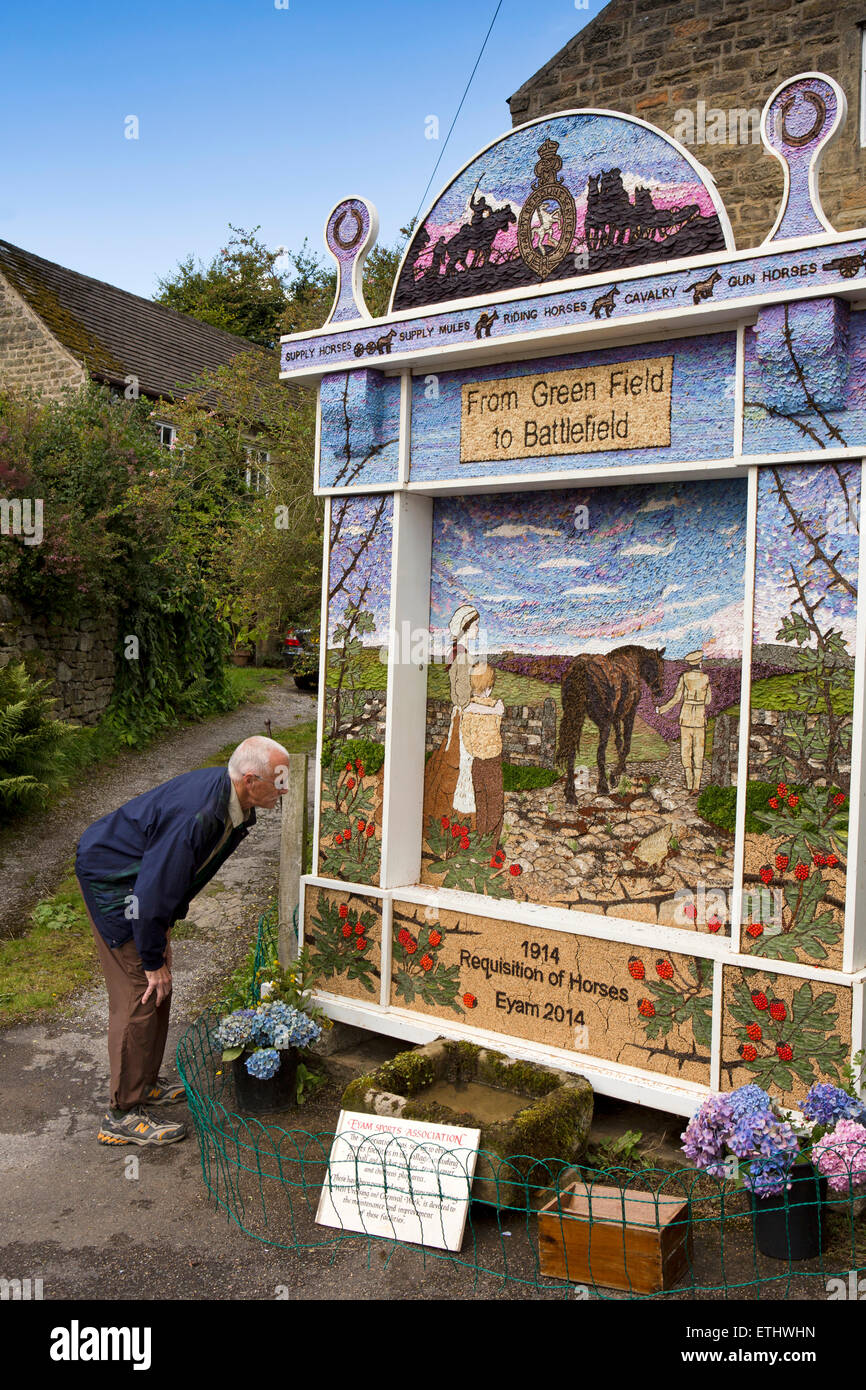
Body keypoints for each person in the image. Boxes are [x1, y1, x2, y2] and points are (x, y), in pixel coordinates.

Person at [75, 735, 290, 1146]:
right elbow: (152, 890)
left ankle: (146, 1084)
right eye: (278, 780)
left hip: (142, 884)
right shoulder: (200, 813)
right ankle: (121, 1113)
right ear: (249, 780)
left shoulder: (232, 803)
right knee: (140, 990)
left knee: (160, 987)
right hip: (114, 880)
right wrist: (152, 955)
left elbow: (180, 877)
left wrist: (165, 927)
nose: (284, 787)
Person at [422, 604, 480, 832]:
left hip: (458, 715)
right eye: (475, 625)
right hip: (464, 717)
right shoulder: (464, 657)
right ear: (466, 628)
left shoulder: (458, 652)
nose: (477, 630)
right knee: (465, 765)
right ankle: (462, 814)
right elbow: (463, 696)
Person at [461, 664, 505, 850]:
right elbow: (497, 713)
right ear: (489, 687)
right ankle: (491, 846)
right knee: (495, 801)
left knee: (482, 802)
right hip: (492, 761)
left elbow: (466, 737)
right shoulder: (497, 706)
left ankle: (481, 840)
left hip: (476, 762)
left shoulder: (467, 709)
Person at [656, 649, 712, 794]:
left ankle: (689, 783)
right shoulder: (706, 678)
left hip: (686, 716)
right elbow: (708, 700)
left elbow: (676, 698)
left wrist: (662, 709)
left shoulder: (685, 677)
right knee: (698, 751)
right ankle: (696, 786)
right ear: (700, 662)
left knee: (685, 751)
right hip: (699, 717)